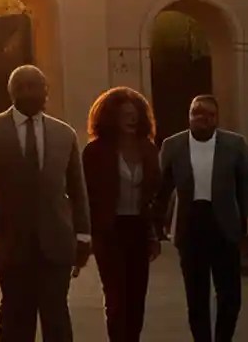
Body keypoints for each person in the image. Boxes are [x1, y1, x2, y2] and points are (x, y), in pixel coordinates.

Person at [0, 64, 91, 342]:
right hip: (10, 245)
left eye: (35, 86)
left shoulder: (64, 134)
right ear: (11, 92)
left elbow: (78, 189)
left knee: (57, 319)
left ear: (46, 91)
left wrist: (83, 234)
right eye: (21, 86)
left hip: (56, 242)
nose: (28, 92)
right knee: (16, 320)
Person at [154, 94, 248, 342]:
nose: (203, 118)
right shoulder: (173, 145)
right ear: (189, 115)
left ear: (217, 118)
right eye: (197, 112)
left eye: (209, 114)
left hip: (224, 226)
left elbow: (247, 183)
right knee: (196, 296)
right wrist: (154, 223)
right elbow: (161, 188)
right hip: (190, 227)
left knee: (230, 296)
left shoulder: (235, 144)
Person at [81, 87, 162, 342]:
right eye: (124, 114)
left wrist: (153, 234)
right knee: (116, 301)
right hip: (109, 231)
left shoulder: (148, 149)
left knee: (136, 300)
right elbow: (85, 196)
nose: (131, 119)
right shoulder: (95, 151)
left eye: (135, 113)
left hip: (138, 229)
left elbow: (153, 196)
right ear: (110, 117)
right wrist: (86, 234)